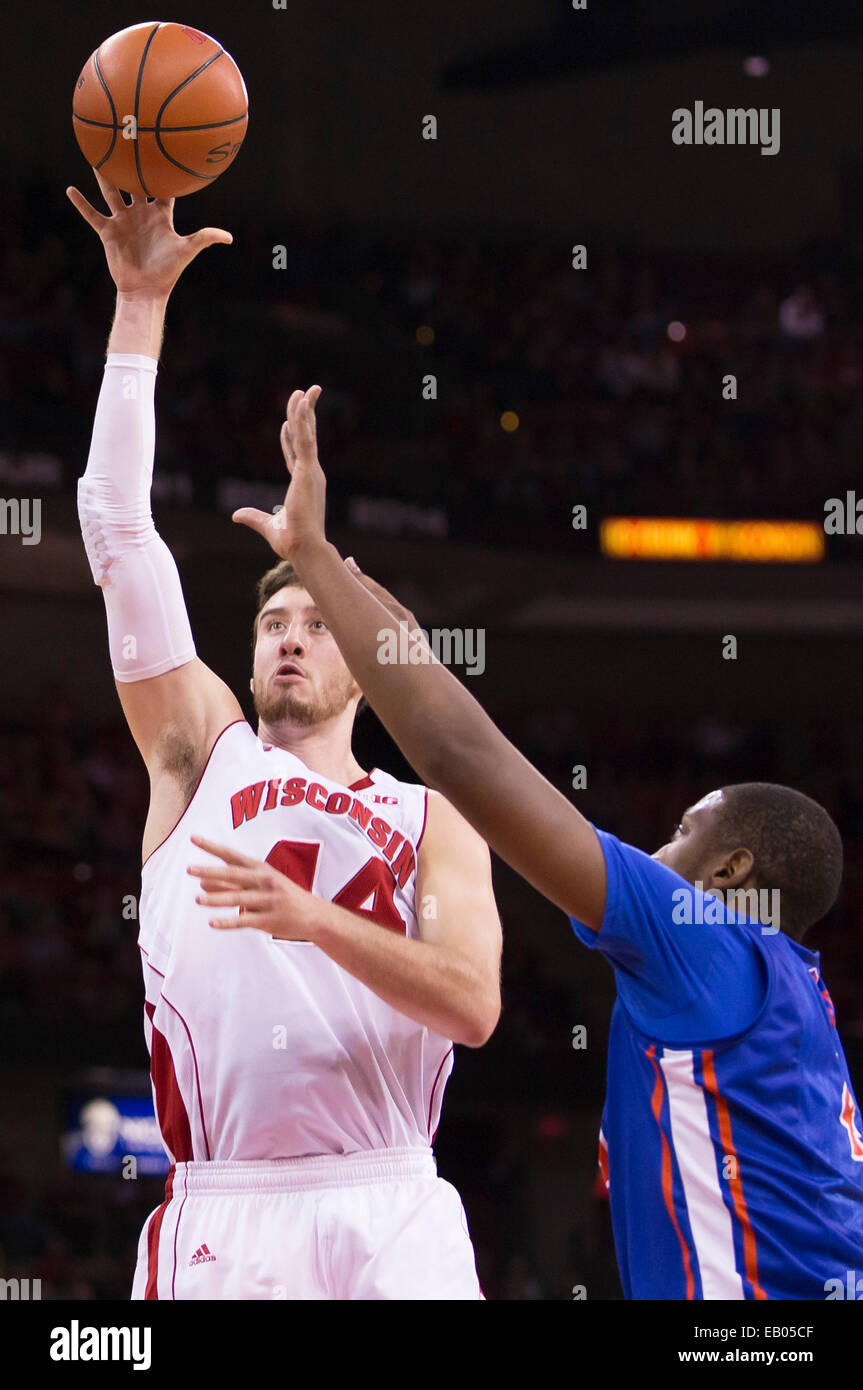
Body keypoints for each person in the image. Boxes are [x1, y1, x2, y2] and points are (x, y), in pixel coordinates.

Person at [238, 377, 863, 1301]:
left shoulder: (695, 935)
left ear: (730, 870)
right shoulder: (791, 1000)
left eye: (682, 830)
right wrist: (397, 642)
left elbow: (457, 752)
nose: (656, 847)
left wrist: (317, 559)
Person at [67, 172, 501, 1301]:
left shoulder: (433, 817)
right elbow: (116, 527)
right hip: (224, 1207)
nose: (292, 639)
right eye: (271, 622)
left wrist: (313, 922)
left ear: (363, 659)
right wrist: (139, 308)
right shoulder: (198, 750)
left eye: (317, 621)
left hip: (392, 1195)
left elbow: (471, 1002)